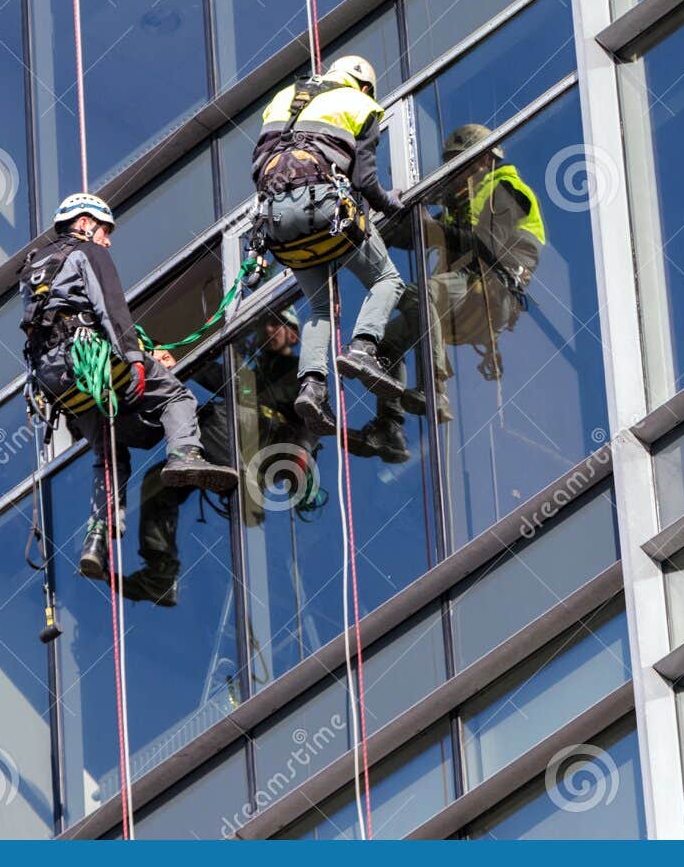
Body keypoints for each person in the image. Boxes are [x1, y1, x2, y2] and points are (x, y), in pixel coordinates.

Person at [20, 192, 239, 603]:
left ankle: (96, 539)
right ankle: (185, 457)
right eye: (105, 230)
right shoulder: (87, 252)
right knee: (176, 397)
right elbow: (112, 308)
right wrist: (135, 359)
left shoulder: (33, 269)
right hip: (92, 361)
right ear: (85, 224)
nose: (109, 241)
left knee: (110, 452)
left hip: (57, 382)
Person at [354, 123, 544, 461]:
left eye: (460, 163)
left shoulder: (506, 190)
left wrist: (434, 228)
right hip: (464, 293)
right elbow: (414, 236)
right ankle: (390, 429)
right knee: (386, 343)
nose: (453, 174)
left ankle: (434, 390)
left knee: (421, 293)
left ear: (484, 160)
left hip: (492, 289)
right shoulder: (462, 205)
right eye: (451, 165)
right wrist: (365, 224)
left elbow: (488, 247)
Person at [250, 54, 414, 435]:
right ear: (366, 86)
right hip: (324, 209)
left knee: (320, 307)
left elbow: (260, 164)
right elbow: (365, 179)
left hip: (276, 222)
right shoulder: (361, 104)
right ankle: (362, 349)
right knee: (387, 280)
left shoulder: (282, 98)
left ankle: (312, 387)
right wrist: (390, 203)